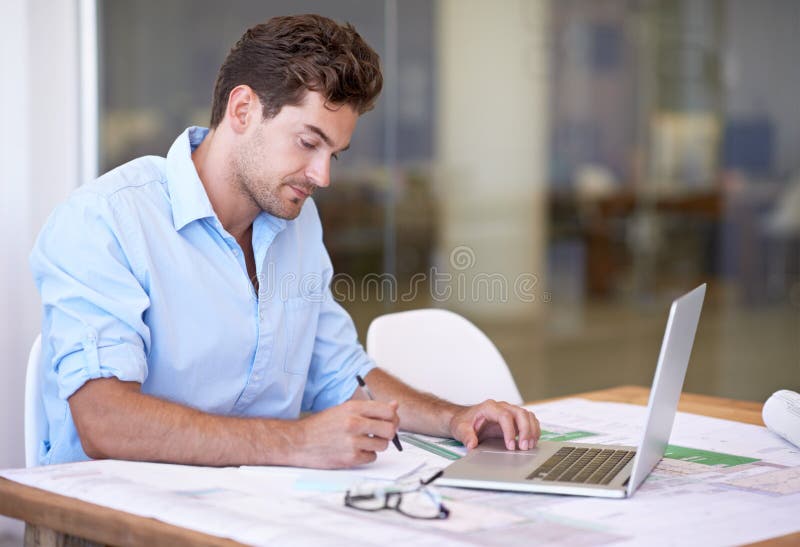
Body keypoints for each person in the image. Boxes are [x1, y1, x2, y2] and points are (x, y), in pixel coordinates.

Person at [30, 14, 540, 468]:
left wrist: (456, 418)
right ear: (244, 109)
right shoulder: (105, 221)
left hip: (256, 509)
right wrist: (296, 443)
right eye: (308, 142)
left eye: (334, 154)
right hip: (117, 515)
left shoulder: (298, 223)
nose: (322, 176)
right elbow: (104, 420)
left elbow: (341, 375)